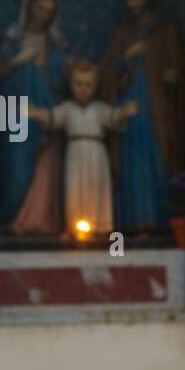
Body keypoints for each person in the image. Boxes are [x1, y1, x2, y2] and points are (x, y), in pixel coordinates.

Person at [100, 0, 185, 232]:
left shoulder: (164, 31)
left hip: (157, 102)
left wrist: (172, 75)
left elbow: (178, 68)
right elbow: (107, 73)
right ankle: (133, 220)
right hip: (131, 98)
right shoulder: (123, 34)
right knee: (132, 158)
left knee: (158, 153)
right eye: (127, 0)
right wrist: (127, 58)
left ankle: (161, 219)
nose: (132, 4)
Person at [29, 58, 137, 237]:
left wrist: (123, 113)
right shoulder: (68, 108)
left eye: (88, 85)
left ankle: (100, 227)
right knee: (74, 189)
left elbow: (113, 118)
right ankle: (74, 227)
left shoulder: (99, 108)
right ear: (71, 85)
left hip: (96, 154)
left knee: (97, 188)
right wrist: (36, 113)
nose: (83, 89)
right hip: (75, 154)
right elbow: (52, 118)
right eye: (79, 84)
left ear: (95, 87)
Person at [0, 0, 69, 228]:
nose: (44, 14)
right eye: (40, 8)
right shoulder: (13, 40)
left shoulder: (56, 44)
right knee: (19, 170)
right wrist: (19, 62)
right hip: (18, 113)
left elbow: (64, 79)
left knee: (46, 173)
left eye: (50, 10)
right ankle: (12, 219)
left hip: (47, 114)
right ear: (29, 8)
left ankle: (43, 222)